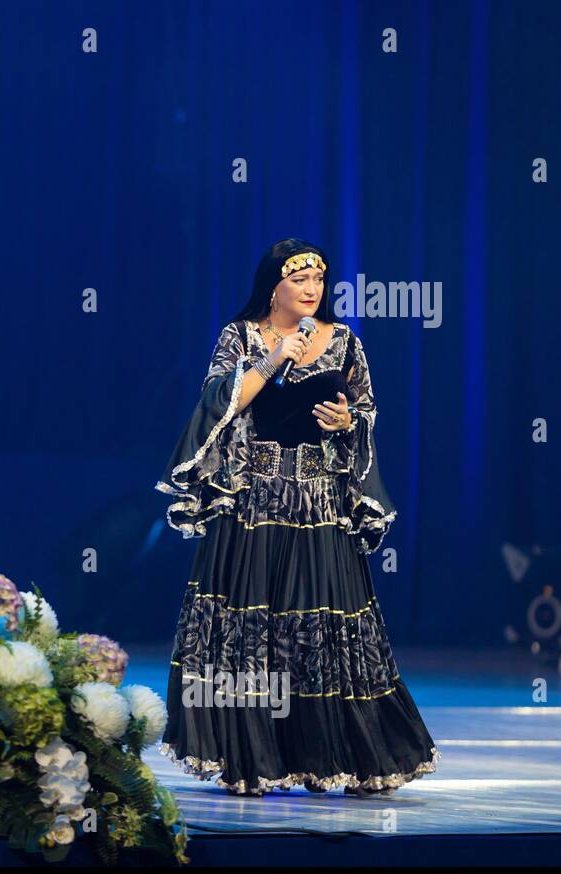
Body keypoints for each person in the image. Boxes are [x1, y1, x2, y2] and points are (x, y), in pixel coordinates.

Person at [155, 238, 439, 796]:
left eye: (319, 282)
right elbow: (220, 401)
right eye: (300, 281)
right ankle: (252, 758)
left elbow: (365, 416)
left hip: (318, 504)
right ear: (273, 287)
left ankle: (344, 755)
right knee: (252, 631)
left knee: (323, 630)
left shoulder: (345, 342)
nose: (312, 291)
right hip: (254, 502)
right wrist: (271, 358)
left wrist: (345, 421)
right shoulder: (242, 336)